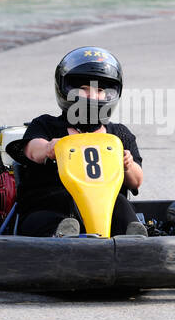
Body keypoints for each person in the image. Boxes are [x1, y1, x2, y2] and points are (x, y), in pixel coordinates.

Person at [17, 46, 146, 237]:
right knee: (45, 216)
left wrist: (127, 164)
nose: (92, 96)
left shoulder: (119, 134)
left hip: (105, 207)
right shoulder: (46, 125)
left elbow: (136, 181)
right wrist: (48, 148)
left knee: (120, 203)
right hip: (53, 203)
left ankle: (132, 237)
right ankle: (61, 235)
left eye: (99, 90)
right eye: (84, 89)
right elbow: (31, 150)